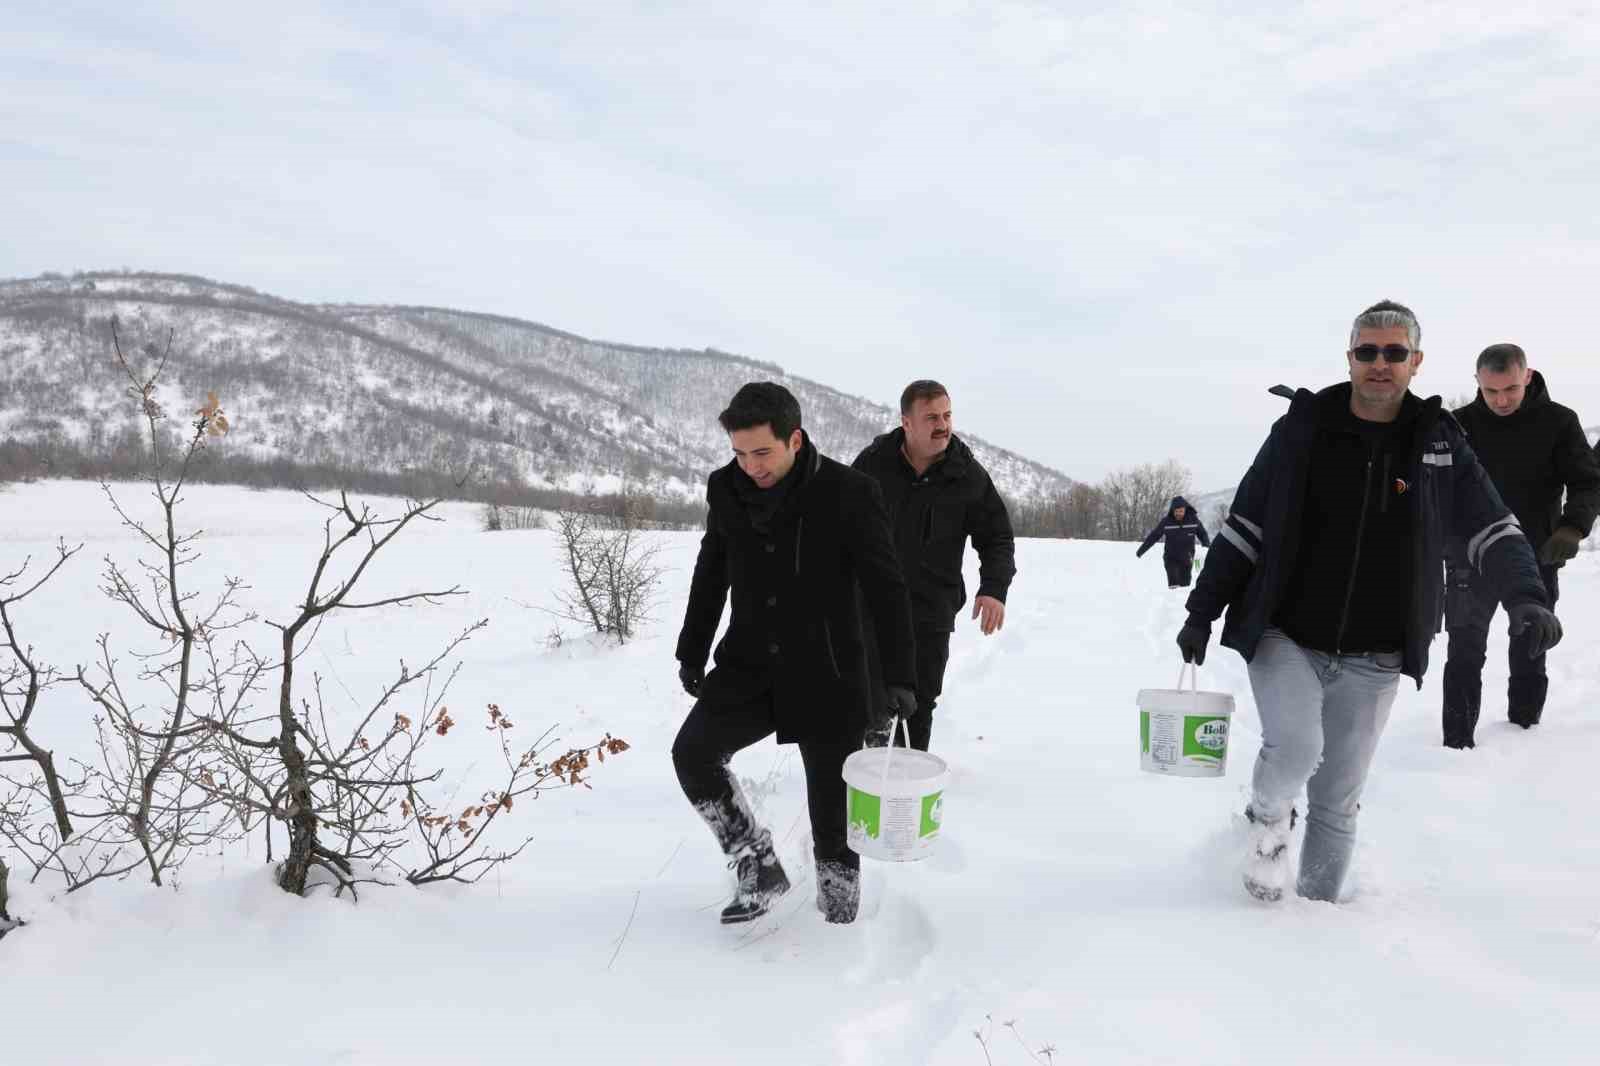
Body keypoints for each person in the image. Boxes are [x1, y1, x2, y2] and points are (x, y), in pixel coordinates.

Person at [1177, 300, 1561, 904]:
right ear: (1350, 358)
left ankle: (1321, 921)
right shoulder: (1302, 430)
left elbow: (1495, 528)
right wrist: (1202, 610)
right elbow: (1245, 525)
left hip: (1376, 653)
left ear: (1416, 362)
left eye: (1394, 353)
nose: (1380, 364)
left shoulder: (1439, 442)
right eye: (1368, 352)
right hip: (1285, 633)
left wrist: (1527, 598)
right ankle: (1267, 827)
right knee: (1298, 747)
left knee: (1337, 796)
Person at [672, 382, 918, 926]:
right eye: (739, 453)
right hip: (750, 663)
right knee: (692, 752)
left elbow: (886, 586)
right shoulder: (726, 489)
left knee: (832, 814)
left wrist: (899, 676)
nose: (750, 465)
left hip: (826, 669)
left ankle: (838, 916)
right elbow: (711, 570)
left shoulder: (849, 491)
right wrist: (692, 650)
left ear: (796, 440)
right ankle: (755, 863)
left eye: (762, 452)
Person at [1440, 344, 1600, 747]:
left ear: (1527, 376)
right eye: (1491, 391)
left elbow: (1587, 481)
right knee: (1463, 651)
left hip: (1537, 557)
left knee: (1530, 645)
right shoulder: (1457, 425)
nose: (1501, 400)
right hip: (1469, 558)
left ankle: (1524, 734)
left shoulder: (1560, 422)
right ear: (1477, 382)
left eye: (1510, 388)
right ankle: (1455, 747)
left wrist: (1572, 528)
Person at [851, 380, 1016, 751]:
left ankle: (906, 792)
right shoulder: (873, 464)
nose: (943, 425)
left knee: (918, 703)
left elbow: (997, 538)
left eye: (947, 415)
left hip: (929, 610)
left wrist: (993, 589)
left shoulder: (967, 475)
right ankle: (865, 785)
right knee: (870, 703)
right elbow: (839, 525)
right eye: (931, 418)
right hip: (871, 607)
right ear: (906, 422)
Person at [1136, 496, 1211, 588]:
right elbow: (1153, 536)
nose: (1178, 513)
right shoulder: (1166, 522)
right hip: (1171, 558)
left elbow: (1203, 534)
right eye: (1176, 511)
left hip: (1187, 558)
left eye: (1181, 511)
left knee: (1185, 586)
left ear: (1185, 510)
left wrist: (1207, 548)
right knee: (1174, 585)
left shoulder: (1193, 520)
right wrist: (1141, 551)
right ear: (1172, 510)